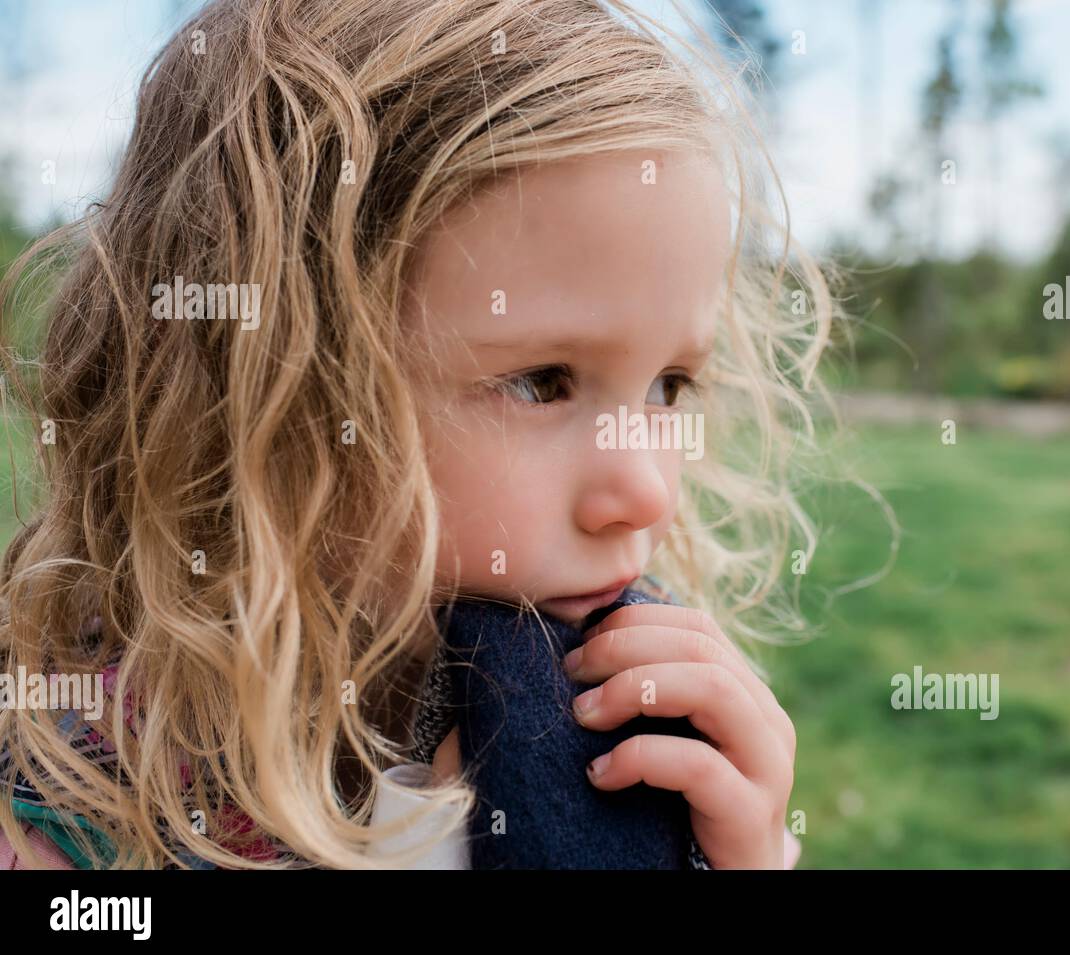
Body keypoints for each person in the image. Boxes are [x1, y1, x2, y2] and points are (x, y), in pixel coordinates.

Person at [0, 0, 838, 869]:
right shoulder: (90, 805)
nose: (648, 492)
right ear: (275, 400)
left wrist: (749, 854)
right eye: (543, 383)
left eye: (670, 385)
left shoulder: (630, 727)